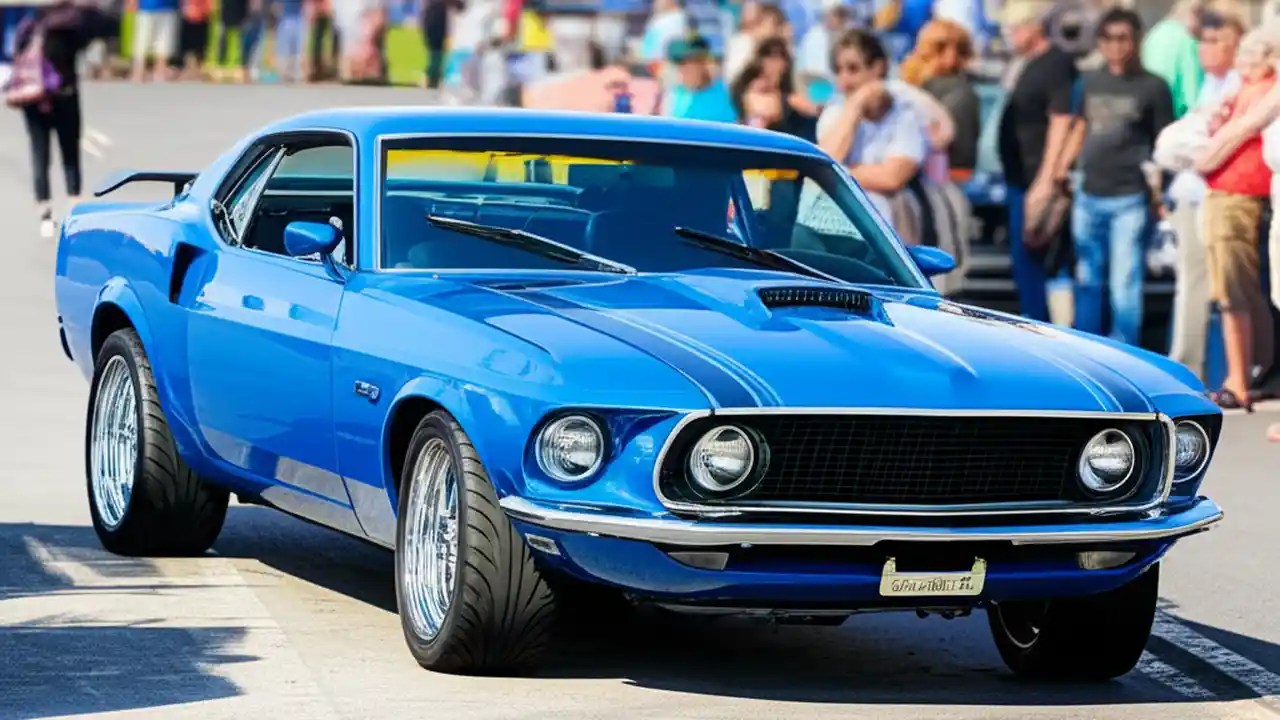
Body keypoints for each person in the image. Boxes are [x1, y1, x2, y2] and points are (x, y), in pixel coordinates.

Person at [1071, 9, 1174, 348]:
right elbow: (1074, 130)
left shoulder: (1154, 86)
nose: (1116, 46)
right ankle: (1084, 351)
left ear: (1135, 41)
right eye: (1108, 38)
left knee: (1124, 284)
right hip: (1088, 193)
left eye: (1123, 38)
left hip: (1129, 197)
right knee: (1087, 280)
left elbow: (1164, 145)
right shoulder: (1087, 81)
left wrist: (1160, 196)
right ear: (1100, 42)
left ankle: (1125, 352)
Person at [1194, 28, 1278, 410]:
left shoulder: (1262, 90)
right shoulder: (1244, 88)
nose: (1240, 59)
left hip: (1235, 196)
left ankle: (1240, 378)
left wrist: (1205, 159)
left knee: (1234, 293)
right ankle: (1255, 373)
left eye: (1247, 52)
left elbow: (1236, 133)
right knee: (1246, 292)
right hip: (1231, 194)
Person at [1167, 6, 1244, 383]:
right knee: (1195, 287)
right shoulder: (1209, 85)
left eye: (1215, 41)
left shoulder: (1237, 85)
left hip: (1214, 194)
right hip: (1191, 194)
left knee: (1216, 291)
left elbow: (1205, 144)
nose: (1204, 48)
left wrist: (1188, 149)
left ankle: (1189, 369)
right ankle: (1192, 366)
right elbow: (1179, 141)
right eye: (1203, 40)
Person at [996, 0, 1081, 323]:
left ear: (1033, 28)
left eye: (1014, 29)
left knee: (1041, 260)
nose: (1010, 36)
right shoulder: (1028, 64)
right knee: (1026, 263)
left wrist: (1045, 182)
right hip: (1020, 178)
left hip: (1036, 180)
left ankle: (1044, 327)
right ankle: (1035, 320)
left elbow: (1062, 121)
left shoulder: (1055, 64)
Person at [10, 1, 108, 237]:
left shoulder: (29, 26)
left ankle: (45, 211)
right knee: (70, 153)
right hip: (65, 94)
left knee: (40, 152)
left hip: (34, 96)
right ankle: (74, 205)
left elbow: (16, 52)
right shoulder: (72, 25)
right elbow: (94, 36)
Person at [817, 28, 929, 223]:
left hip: (894, 218)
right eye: (838, 70)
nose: (844, 80)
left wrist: (842, 172)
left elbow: (892, 178)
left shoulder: (904, 114)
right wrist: (854, 110)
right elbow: (825, 163)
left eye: (853, 69)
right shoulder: (834, 113)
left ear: (877, 68)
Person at [900, 18, 980, 182]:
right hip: (946, 181)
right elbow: (963, 157)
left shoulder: (906, 85)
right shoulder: (961, 92)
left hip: (907, 179)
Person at [1141, 0, 1204, 119]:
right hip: (1173, 116)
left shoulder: (1154, 34)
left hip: (1149, 110)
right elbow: (1191, 95)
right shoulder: (1187, 41)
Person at [660, 35, 736, 123]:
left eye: (691, 62)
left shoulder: (727, 91)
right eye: (681, 63)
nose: (685, 69)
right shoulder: (672, 96)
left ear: (703, 64)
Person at [795, 0, 848, 106]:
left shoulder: (847, 36)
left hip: (838, 92)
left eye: (842, 15)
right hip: (817, 92)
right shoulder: (814, 37)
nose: (839, 20)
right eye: (836, 15)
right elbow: (816, 75)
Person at [723, 1, 785, 83]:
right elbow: (735, 78)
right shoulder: (742, 42)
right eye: (772, 25)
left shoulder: (771, 47)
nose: (774, 31)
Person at [130, 0, 180, 81]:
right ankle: (139, 72)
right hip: (147, 8)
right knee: (143, 41)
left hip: (168, 8)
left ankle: (160, 72)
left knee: (164, 42)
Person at [173, 0, 211, 80]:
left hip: (202, 17)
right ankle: (186, 70)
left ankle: (197, 71)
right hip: (187, 16)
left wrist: (206, 10)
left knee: (200, 47)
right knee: (186, 46)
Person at [274, 0, 306, 83]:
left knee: (296, 50)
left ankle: (293, 73)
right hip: (286, 19)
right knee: (286, 50)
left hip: (297, 19)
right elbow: (276, 6)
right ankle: (285, 74)